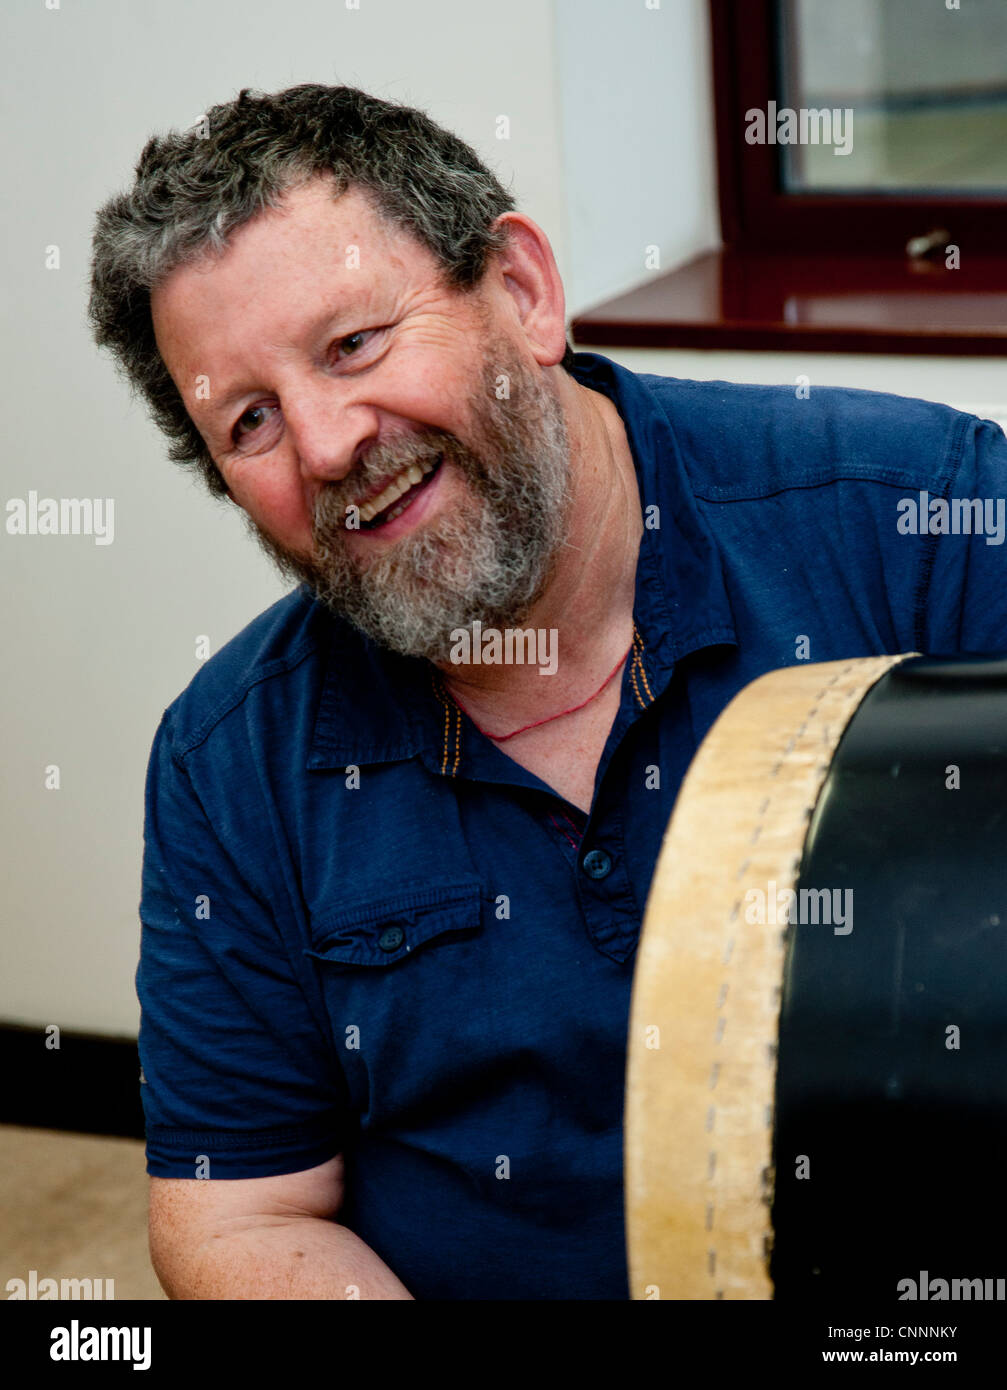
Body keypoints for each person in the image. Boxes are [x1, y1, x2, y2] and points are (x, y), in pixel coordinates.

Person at [88, 83, 1006, 1300]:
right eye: (249, 420)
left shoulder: (922, 522)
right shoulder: (229, 760)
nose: (322, 444)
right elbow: (241, 1221)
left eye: (353, 344)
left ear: (519, 292)